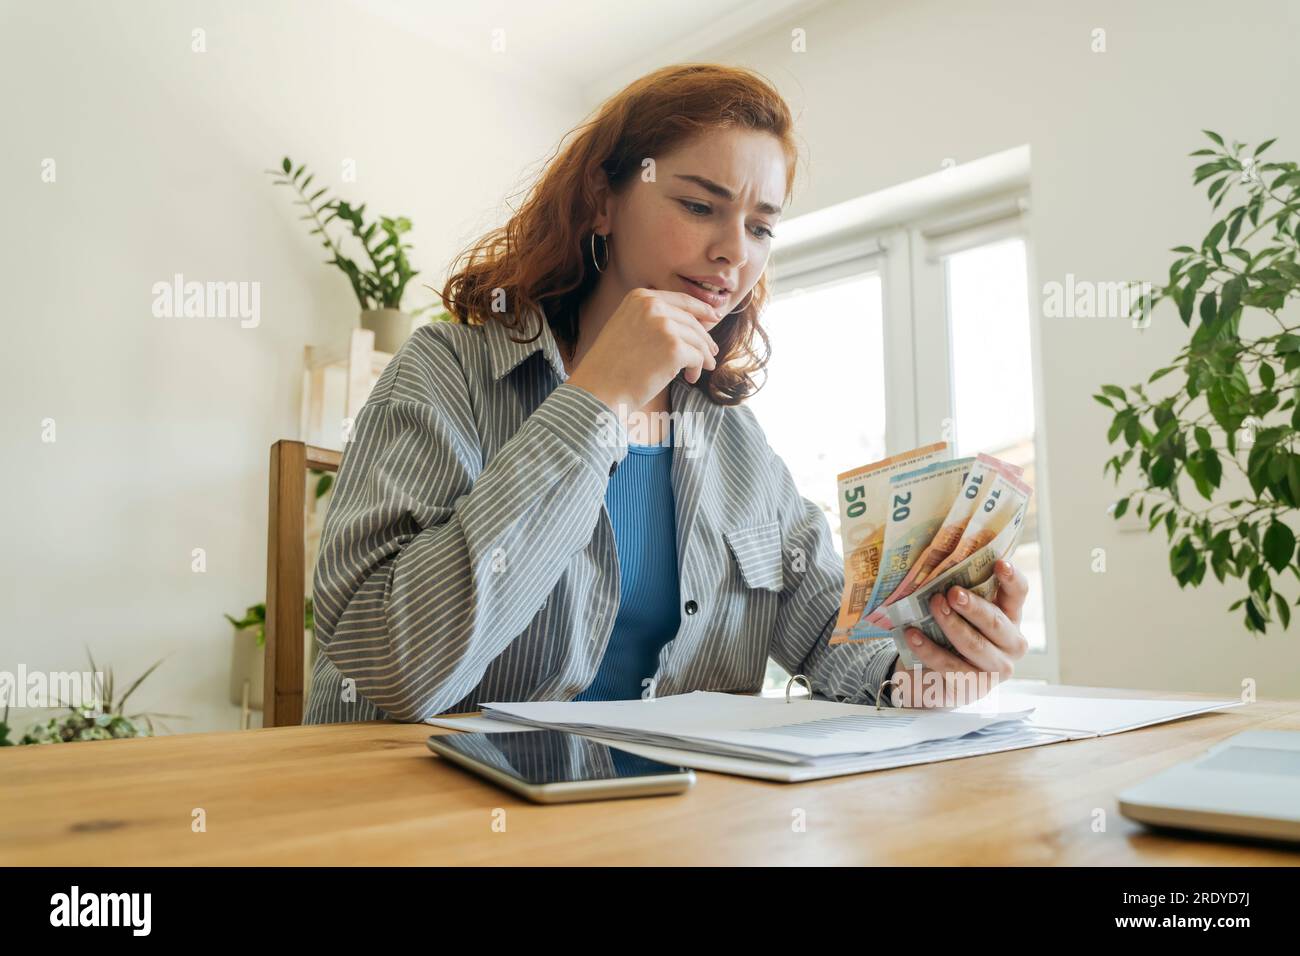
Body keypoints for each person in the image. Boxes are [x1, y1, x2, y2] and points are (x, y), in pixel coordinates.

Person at [303, 63, 1030, 724]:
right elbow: (391, 665)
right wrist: (598, 400)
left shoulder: (735, 444)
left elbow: (840, 646)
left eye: (760, 227)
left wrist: (940, 663)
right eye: (698, 205)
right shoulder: (446, 374)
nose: (733, 252)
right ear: (600, 203)